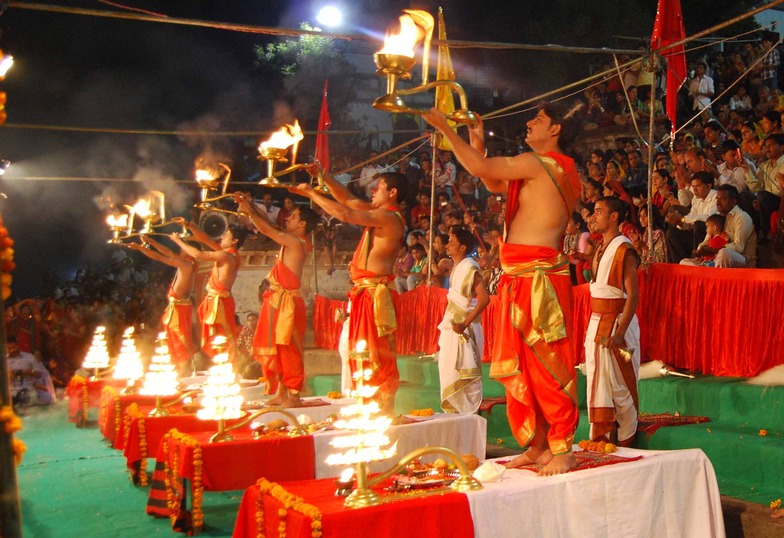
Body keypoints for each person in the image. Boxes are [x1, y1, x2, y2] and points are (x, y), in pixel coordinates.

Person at [423, 101, 582, 475]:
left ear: (555, 129)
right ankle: (537, 443)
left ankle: (563, 446)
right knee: (524, 367)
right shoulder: (550, 169)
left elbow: (482, 170)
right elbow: (493, 179)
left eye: (539, 118)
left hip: (539, 277)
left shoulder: (543, 162)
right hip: (521, 276)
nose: (529, 122)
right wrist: (476, 147)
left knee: (546, 362)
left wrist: (446, 130)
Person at [291, 170, 406, 415]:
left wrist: (311, 193)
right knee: (363, 352)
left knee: (377, 354)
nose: (373, 190)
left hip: (376, 296)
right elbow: (349, 201)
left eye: (379, 186)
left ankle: (383, 412)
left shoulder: (389, 217)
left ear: (393, 193)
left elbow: (344, 213)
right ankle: (370, 407)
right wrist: (324, 177)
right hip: (365, 294)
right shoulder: (379, 213)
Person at [236, 193, 318, 407]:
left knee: (288, 347)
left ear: (302, 224)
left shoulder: (296, 241)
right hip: (277, 300)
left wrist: (249, 209)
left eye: (294, 215)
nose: (288, 217)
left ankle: (293, 394)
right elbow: (270, 225)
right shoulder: (292, 239)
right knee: (276, 348)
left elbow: (266, 229)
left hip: (287, 303)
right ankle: (281, 392)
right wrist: (250, 207)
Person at [585, 196, 640, 446]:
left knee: (620, 387)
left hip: (617, 324)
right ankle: (603, 440)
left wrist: (620, 332)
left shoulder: (624, 248)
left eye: (598, 212)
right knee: (599, 383)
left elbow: (633, 296)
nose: (592, 216)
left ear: (614, 217)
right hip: (597, 322)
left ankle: (627, 442)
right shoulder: (599, 247)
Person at [171, 219, 246, 363]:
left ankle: (229, 366)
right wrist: (189, 225)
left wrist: (178, 242)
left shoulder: (227, 256)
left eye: (227, 235)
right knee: (216, 337)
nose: (222, 237)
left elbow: (198, 254)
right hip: (216, 300)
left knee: (223, 337)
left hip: (220, 302)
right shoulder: (225, 252)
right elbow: (205, 239)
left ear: (235, 240)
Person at [436, 228, 489, 414]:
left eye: (451, 242)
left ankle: (469, 420)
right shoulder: (457, 267)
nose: (448, 245)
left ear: (463, 247)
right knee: (448, 370)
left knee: (468, 380)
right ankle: (456, 421)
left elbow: (484, 299)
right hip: (453, 328)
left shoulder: (469, 267)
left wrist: (464, 324)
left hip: (466, 330)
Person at [127, 235, 197, 376]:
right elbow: (167, 253)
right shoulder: (185, 262)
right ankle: (177, 371)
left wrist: (140, 248)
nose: (179, 250)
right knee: (171, 341)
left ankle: (184, 372)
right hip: (176, 307)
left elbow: (160, 258)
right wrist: (151, 241)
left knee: (179, 342)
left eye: (182, 247)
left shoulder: (186, 264)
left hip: (179, 308)